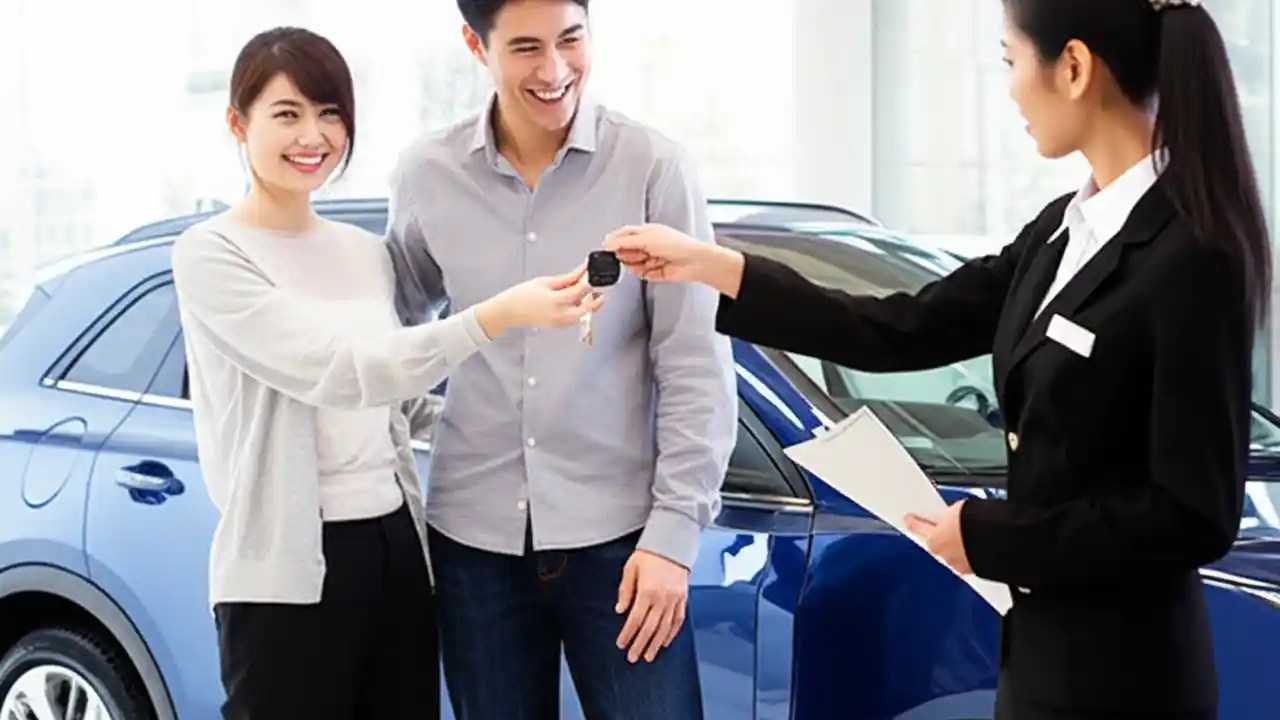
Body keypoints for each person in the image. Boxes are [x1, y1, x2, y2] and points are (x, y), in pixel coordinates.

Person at [603, 1, 1267, 718]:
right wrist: (718, 267)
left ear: (1073, 68)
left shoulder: (1192, 258)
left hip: (1129, 679)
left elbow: (1191, 514)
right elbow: (903, 326)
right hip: (1040, 658)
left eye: (1012, 60)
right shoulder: (1061, 235)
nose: (1009, 87)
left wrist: (988, 535)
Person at [170, 26, 602, 720]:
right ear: (236, 123)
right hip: (287, 571)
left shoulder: (365, 253)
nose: (313, 135)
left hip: (398, 548)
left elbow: (394, 405)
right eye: (287, 114)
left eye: (330, 114)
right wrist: (496, 316)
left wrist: (533, 418)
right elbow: (344, 374)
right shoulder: (212, 254)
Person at [384, 0, 738, 717]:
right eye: (525, 49)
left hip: (623, 545)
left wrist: (673, 537)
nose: (554, 71)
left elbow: (695, 363)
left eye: (570, 40)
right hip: (472, 542)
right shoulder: (426, 174)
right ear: (473, 45)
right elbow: (396, 334)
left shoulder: (651, 167)